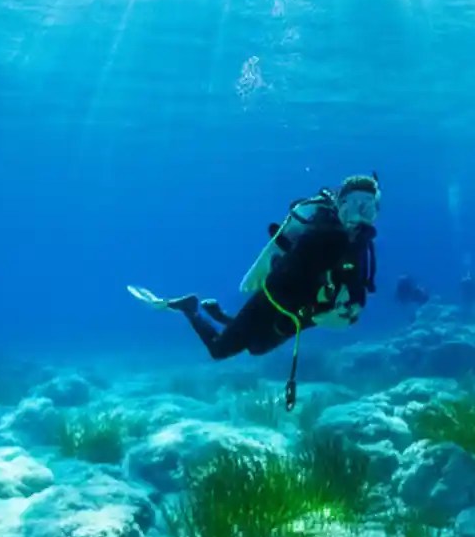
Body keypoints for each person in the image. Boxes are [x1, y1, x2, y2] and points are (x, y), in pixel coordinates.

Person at [127, 173, 382, 409]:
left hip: (301, 316)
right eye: (354, 204)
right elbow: (290, 277)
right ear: (340, 204)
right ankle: (191, 307)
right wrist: (323, 302)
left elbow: (358, 283)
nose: (360, 214)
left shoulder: (360, 242)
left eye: (368, 207)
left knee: (257, 348)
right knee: (219, 350)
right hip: (273, 302)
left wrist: (347, 306)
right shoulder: (322, 236)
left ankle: (222, 316)